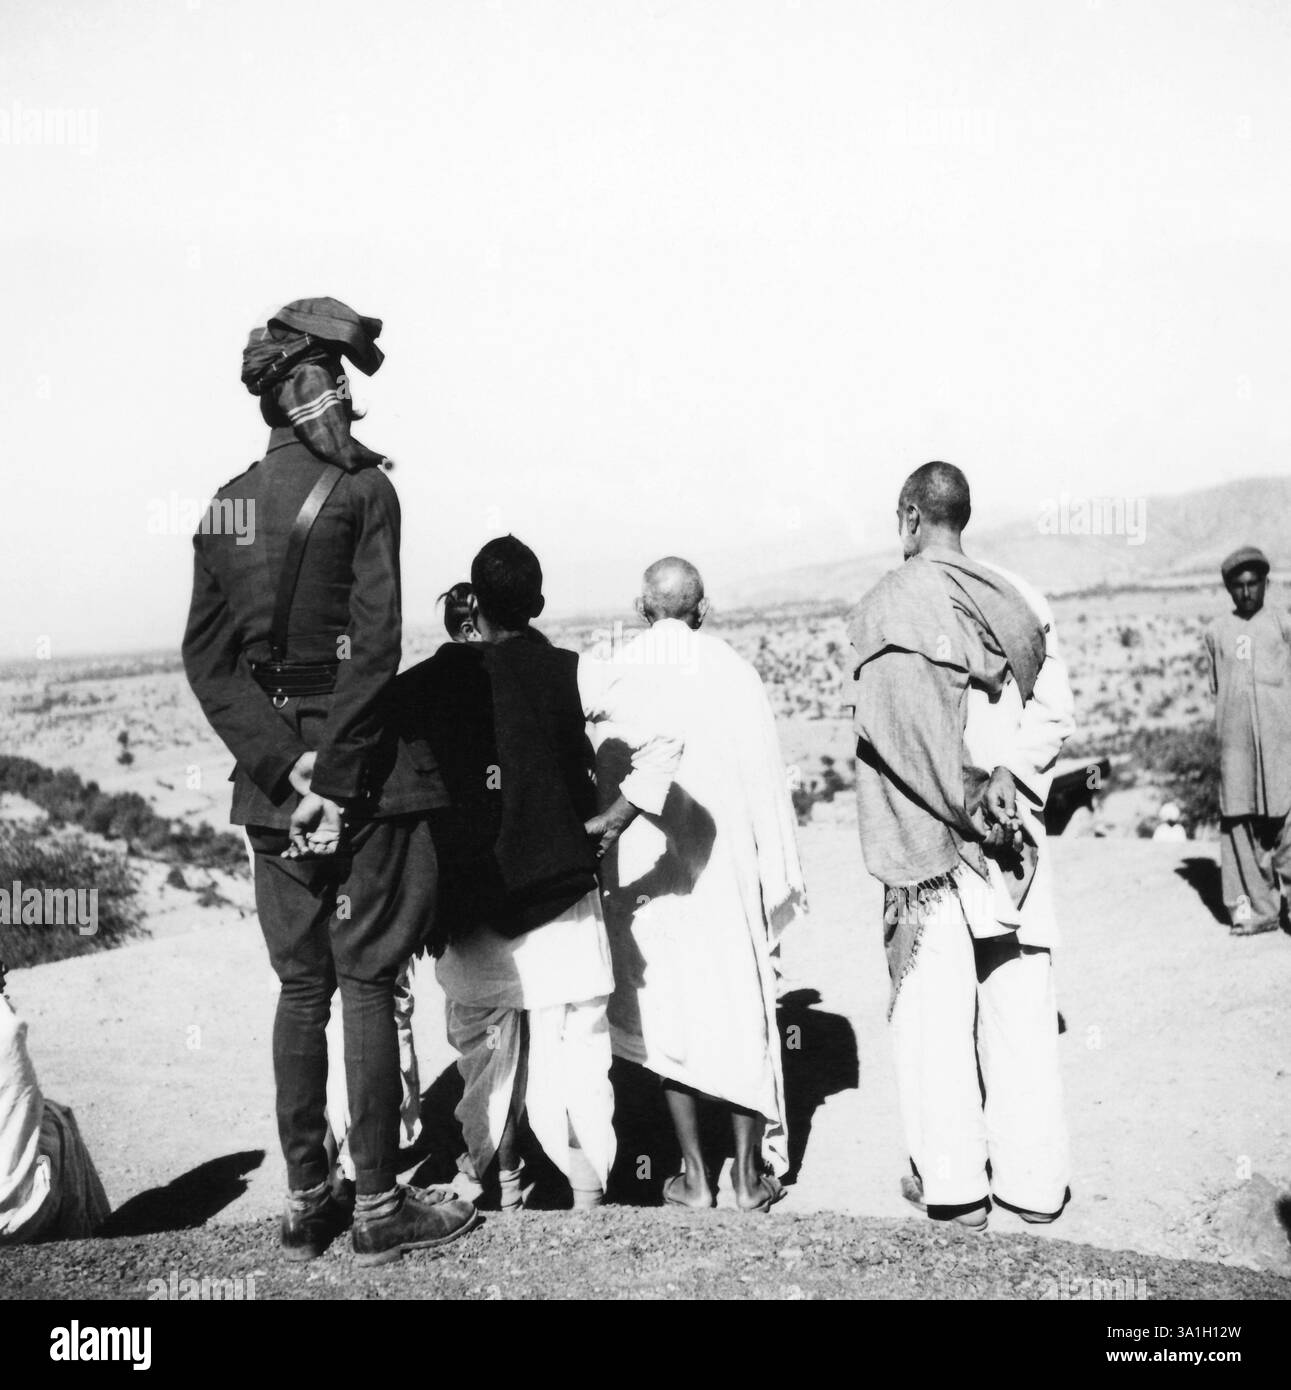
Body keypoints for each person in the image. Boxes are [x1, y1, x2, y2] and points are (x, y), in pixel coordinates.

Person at [182, 297, 479, 1266]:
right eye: (335, 374)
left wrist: (285, 767)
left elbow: (210, 665)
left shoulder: (222, 505)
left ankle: (310, 1197)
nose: (348, 393)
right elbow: (378, 645)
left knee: (299, 985)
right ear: (303, 388)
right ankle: (380, 1205)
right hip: (368, 778)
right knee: (363, 980)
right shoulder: (364, 494)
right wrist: (340, 779)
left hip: (274, 787)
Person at [399, 536, 681, 1211]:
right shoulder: (570, 672)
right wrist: (612, 820)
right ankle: (587, 1199)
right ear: (538, 603)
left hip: (473, 912)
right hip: (560, 902)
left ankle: (501, 1179)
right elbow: (665, 735)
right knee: (578, 1055)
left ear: (473, 599)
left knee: (482, 1059)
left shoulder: (431, 682)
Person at [849, 461, 1073, 1232]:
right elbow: (1056, 715)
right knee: (1020, 1013)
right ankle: (1035, 1187)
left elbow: (888, 738)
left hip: (929, 848)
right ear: (961, 518)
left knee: (932, 1020)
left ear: (910, 517)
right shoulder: (1020, 598)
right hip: (1012, 842)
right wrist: (1007, 772)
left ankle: (953, 1189)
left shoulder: (885, 607)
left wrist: (958, 794)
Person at [601, 558, 807, 1212]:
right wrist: (774, 870)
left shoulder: (618, 671)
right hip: (729, 873)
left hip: (653, 878)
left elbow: (606, 779)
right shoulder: (734, 671)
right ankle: (748, 1178)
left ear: (641, 606)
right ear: (702, 607)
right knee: (741, 1006)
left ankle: (693, 1176)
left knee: (670, 1012)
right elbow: (767, 784)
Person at [1203, 546, 1291, 937]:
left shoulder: (1283, 624)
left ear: (1266, 584)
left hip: (1280, 740)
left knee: (1288, 815)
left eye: (1253, 584)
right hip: (1236, 744)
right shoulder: (1216, 632)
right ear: (1229, 590)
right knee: (1238, 820)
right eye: (1237, 586)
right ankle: (1258, 908)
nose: (1246, 593)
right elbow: (1216, 687)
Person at [0, 961, 111, 1244]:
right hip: (17, 1210)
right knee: (56, 1121)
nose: (5, 968)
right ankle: (86, 1239)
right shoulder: (6, 1029)